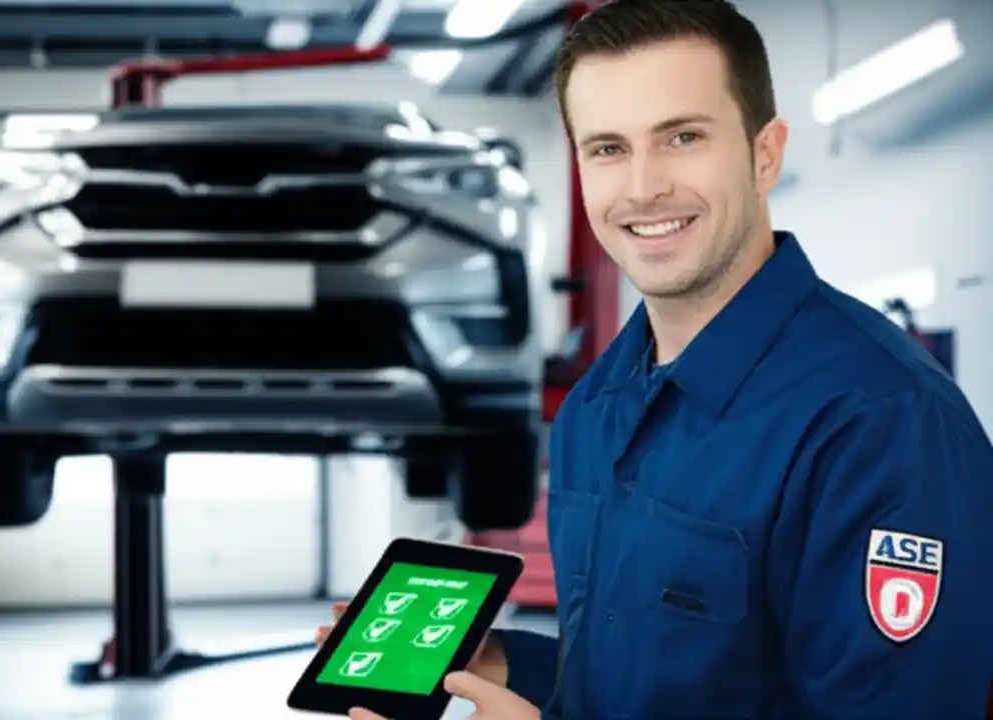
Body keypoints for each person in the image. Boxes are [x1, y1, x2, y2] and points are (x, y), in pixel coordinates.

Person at [315, 0, 993, 717]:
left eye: (682, 137)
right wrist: (506, 661)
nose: (642, 188)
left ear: (765, 153)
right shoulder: (593, 408)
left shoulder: (879, 424)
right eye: (608, 148)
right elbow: (630, 677)